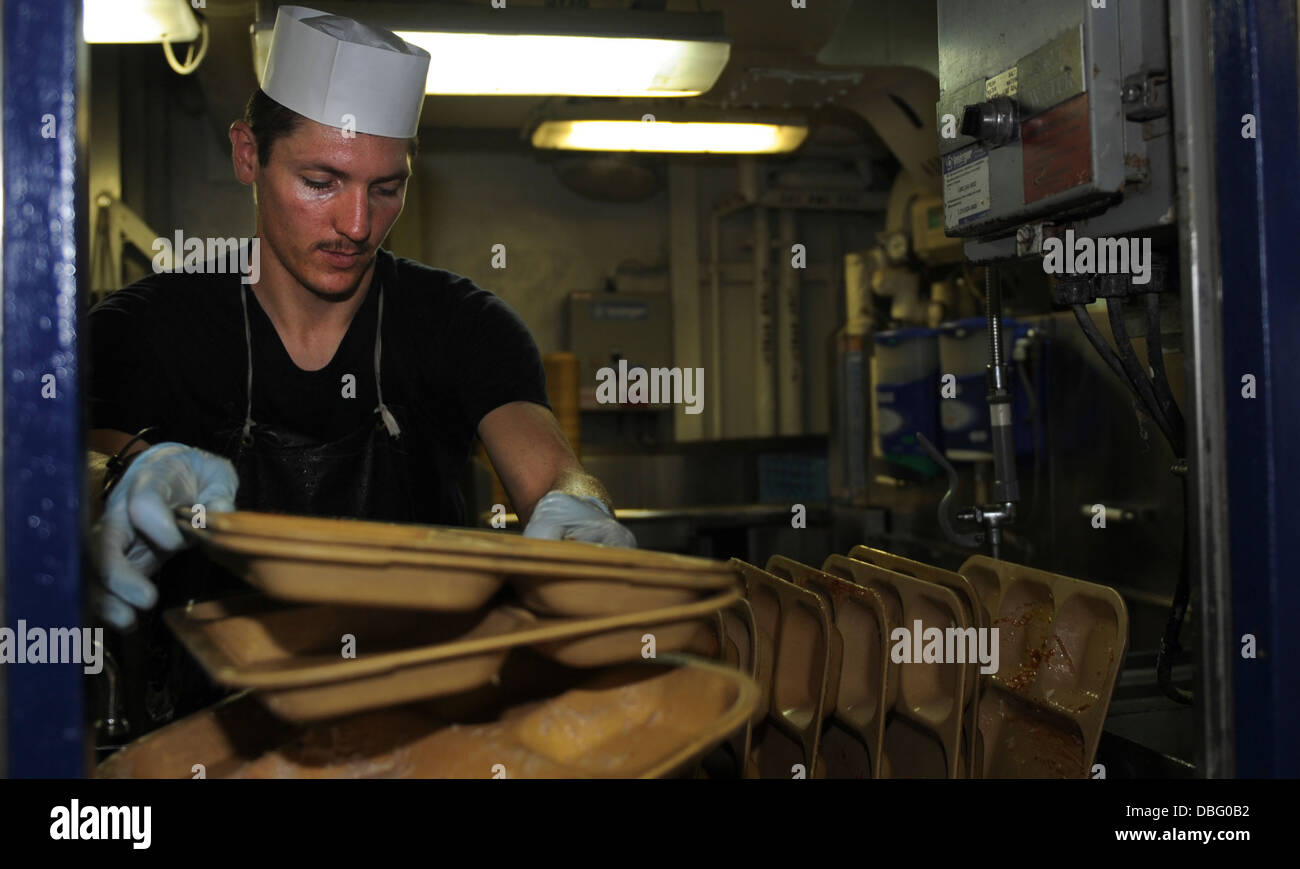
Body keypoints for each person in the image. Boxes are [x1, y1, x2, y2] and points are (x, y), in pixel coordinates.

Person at [86, 7, 633, 728]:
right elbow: (70, 461)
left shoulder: (461, 325)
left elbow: (551, 476)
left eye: (386, 188)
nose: (356, 225)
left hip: (423, 739)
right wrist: (116, 479)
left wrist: (580, 502)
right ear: (248, 154)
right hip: (204, 743)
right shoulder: (148, 328)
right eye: (321, 181)